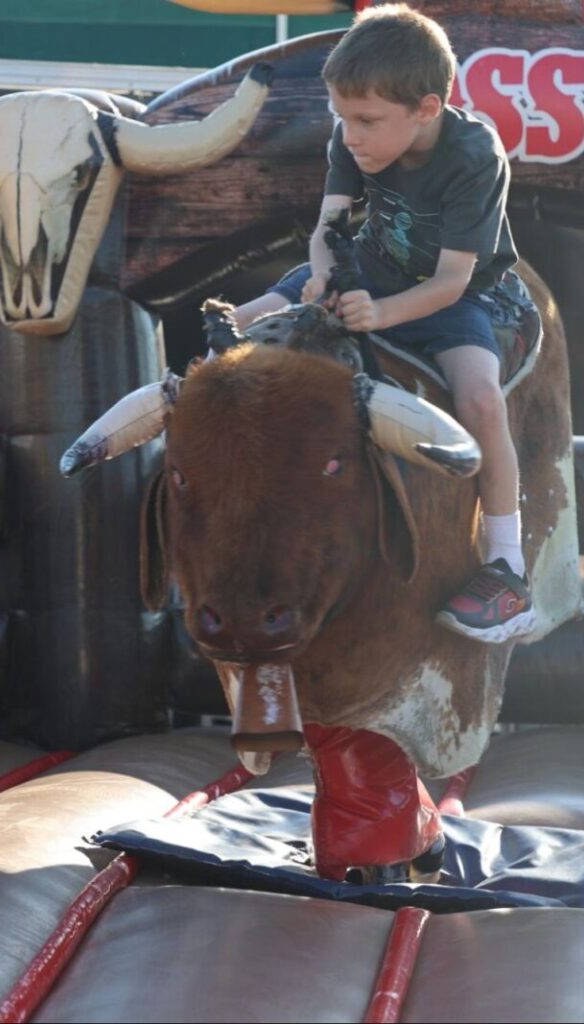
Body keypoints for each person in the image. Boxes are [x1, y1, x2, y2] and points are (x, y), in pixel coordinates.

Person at [231, 2, 534, 643]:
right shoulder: (351, 135)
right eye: (343, 117)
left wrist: (380, 314)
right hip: (370, 265)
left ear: (426, 109)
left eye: (368, 120)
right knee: (243, 325)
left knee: (480, 398)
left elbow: (452, 280)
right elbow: (328, 231)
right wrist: (321, 275)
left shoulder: (475, 156)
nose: (352, 134)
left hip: (458, 298)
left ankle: (507, 564)